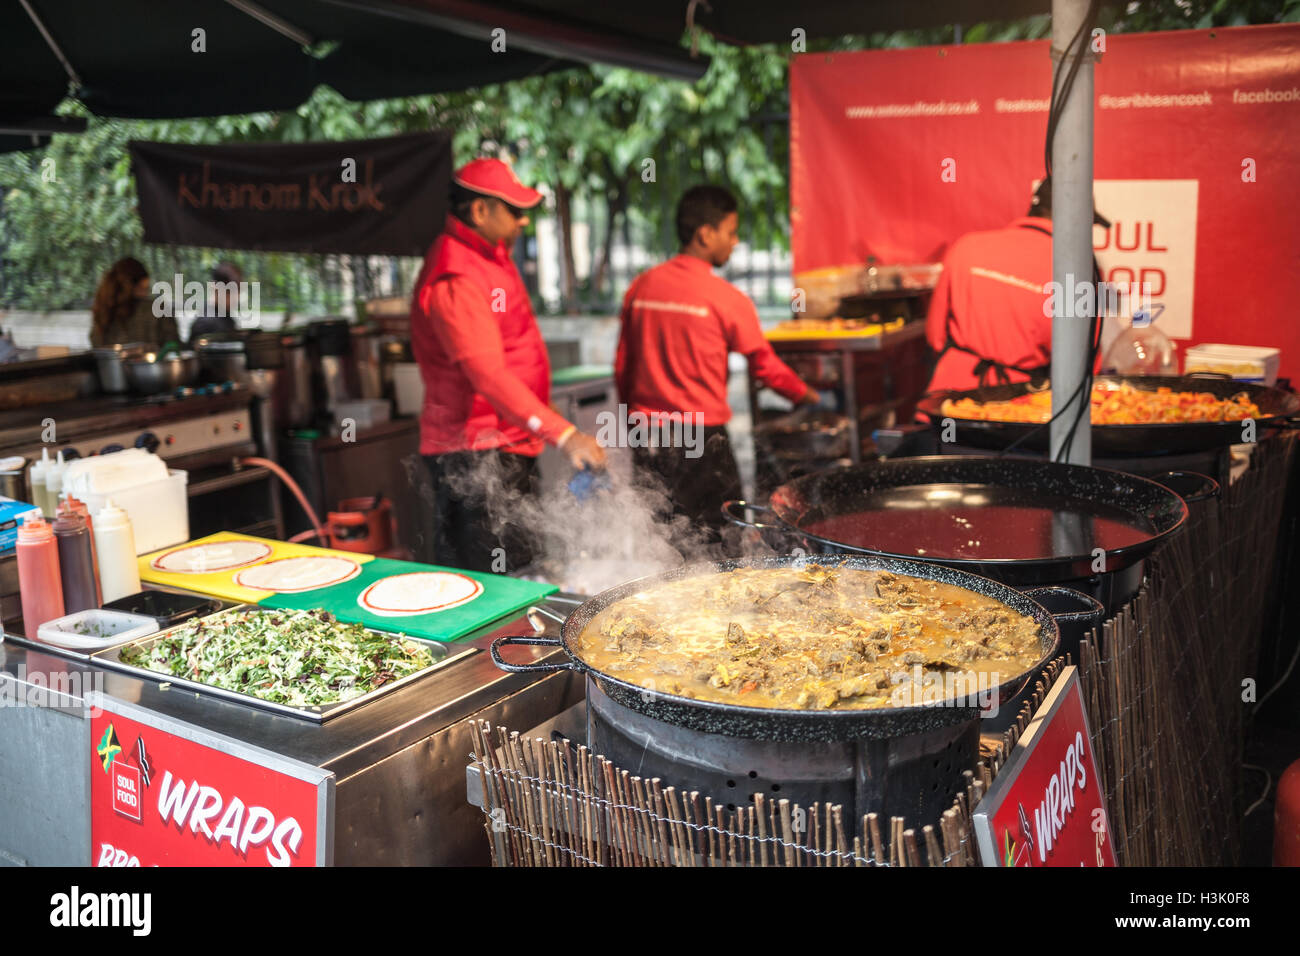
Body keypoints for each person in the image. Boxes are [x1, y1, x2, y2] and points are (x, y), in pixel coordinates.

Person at [410, 158, 606, 573]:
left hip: (506, 444)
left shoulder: (490, 257)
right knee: (493, 585)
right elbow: (486, 374)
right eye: (514, 211)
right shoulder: (456, 275)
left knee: (520, 571)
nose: (523, 222)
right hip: (475, 453)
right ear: (480, 211)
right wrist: (566, 434)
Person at [615, 185, 818, 550]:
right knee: (719, 540)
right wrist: (806, 394)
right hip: (701, 441)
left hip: (646, 435)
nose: (735, 241)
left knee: (659, 539)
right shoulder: (725, 298)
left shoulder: (641, 286)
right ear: (706, 234)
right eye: (730, 231)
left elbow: (623, 367)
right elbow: (765, 366)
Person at [924, 179, 1107, 394]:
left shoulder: (967, 246)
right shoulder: (1079, 269)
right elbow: (1081, 366)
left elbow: (935, 337)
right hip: (1022, 409)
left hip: (947, 400)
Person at [89, 257, 179, 349]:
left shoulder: (102, 312)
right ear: (131, 286)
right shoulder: (158, 308)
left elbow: (97, 347)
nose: (146, 294)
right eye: (143, 288)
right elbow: (175, 347)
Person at [189, 262, 243, 343]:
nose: (236, 296)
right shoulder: (205, 323)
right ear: (215, 287)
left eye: (238, 289)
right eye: (229, 290)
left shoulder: (227, 318)